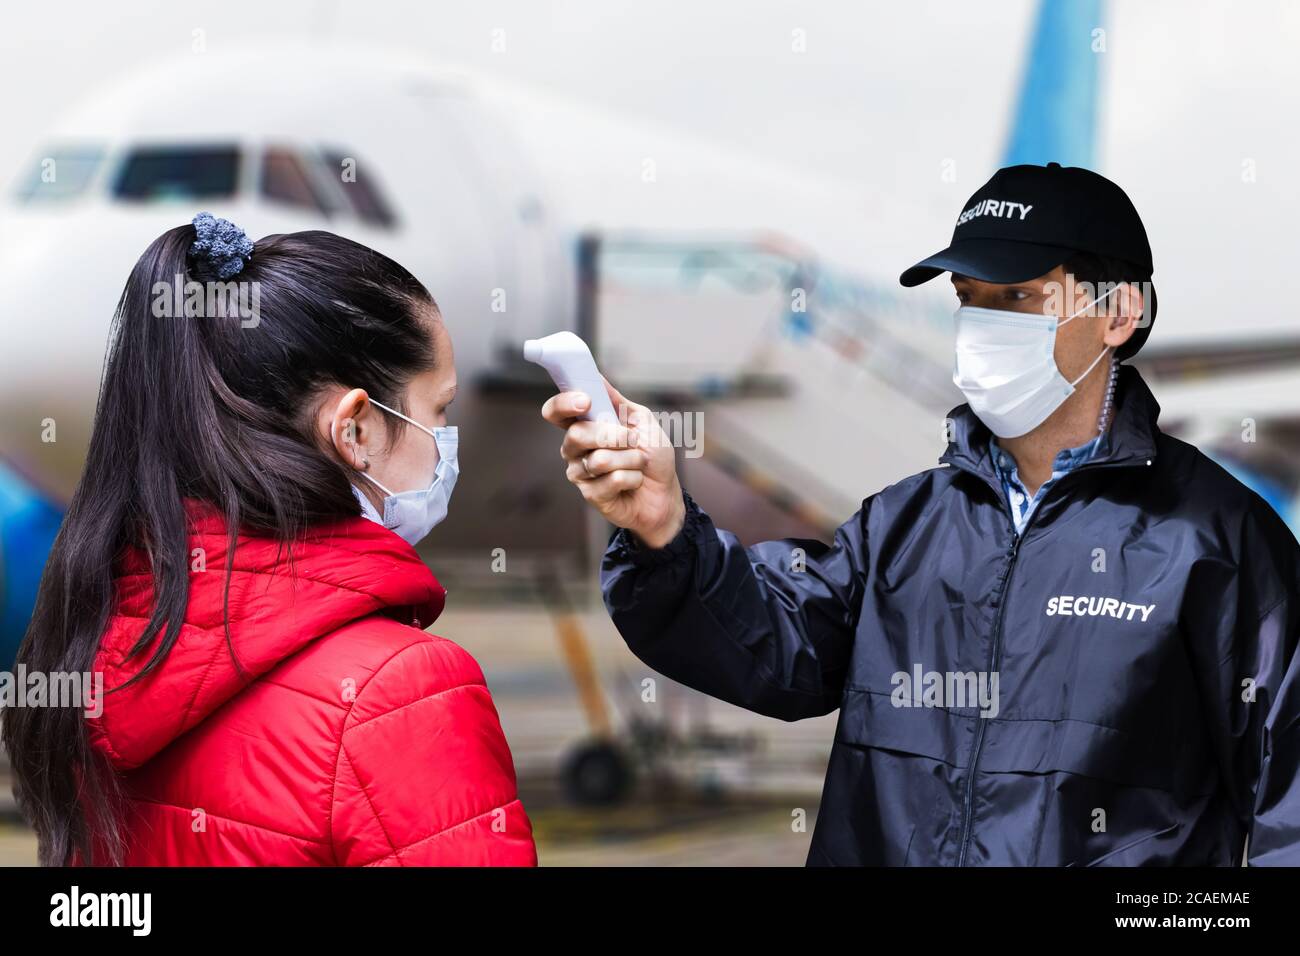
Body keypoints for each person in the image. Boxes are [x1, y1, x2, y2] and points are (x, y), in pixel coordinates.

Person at [541, 163, 1300, 866]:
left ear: (1118, 312)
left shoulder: (1219, 542)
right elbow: (773, 651)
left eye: (1018, 297)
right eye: (969, 300)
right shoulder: (901, 526)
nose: (982, 327)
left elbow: (1287, 803)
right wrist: (665, 529)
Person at [4, 213, 536, 866]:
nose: (446, 441)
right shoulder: (400, 690)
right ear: (356, 430)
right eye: (439, 410)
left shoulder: (96, 645)